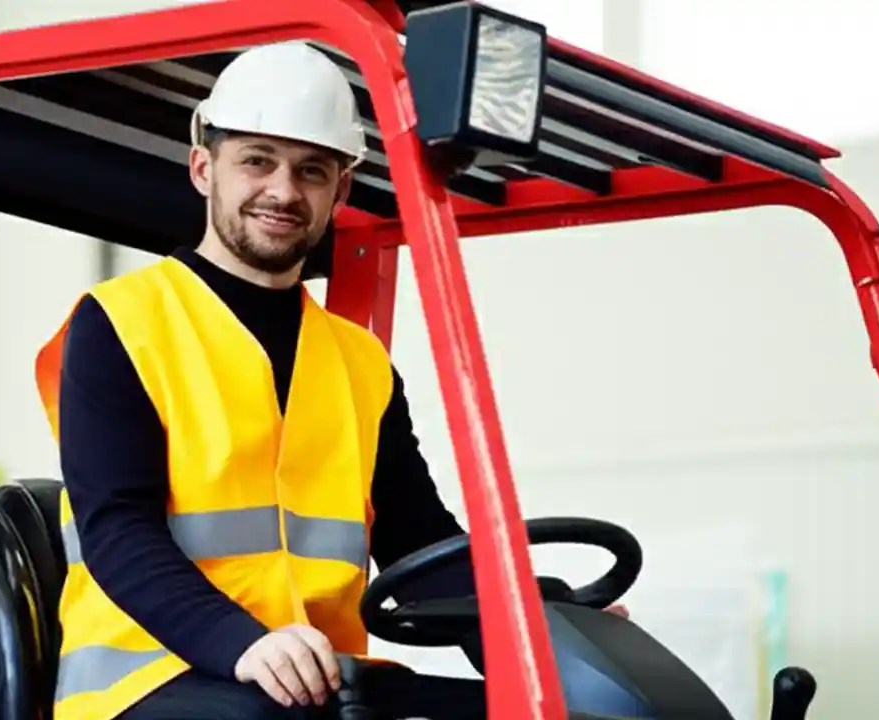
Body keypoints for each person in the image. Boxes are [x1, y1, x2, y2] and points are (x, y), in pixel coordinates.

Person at [33, 41, 623, 720]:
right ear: (204, 168)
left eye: (311, 170)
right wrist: (242, 644)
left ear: (340, 189)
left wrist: (550, 635)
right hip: (148, 681)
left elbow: (421, 542)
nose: (283, 191)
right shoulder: (120, 324)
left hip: (320, 679)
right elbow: (118, 532)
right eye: (257, 160)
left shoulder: (359, 361)